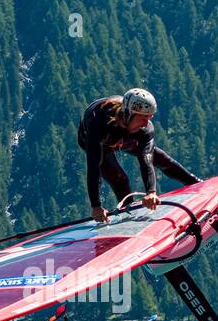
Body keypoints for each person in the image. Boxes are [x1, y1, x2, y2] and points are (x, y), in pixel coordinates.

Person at [77, 88, 199, 222]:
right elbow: (94, 167)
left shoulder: (144, 129)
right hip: (96, 138)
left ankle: (197, 184)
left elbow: (146, 160)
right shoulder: (99, 123)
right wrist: (96, 206)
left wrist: (151, 192)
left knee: (161, 159)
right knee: (120, 179)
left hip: (125, 133)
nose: (146, 124)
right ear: (128, 114)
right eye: (143, 118)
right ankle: (128, 213)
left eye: (150, 117)